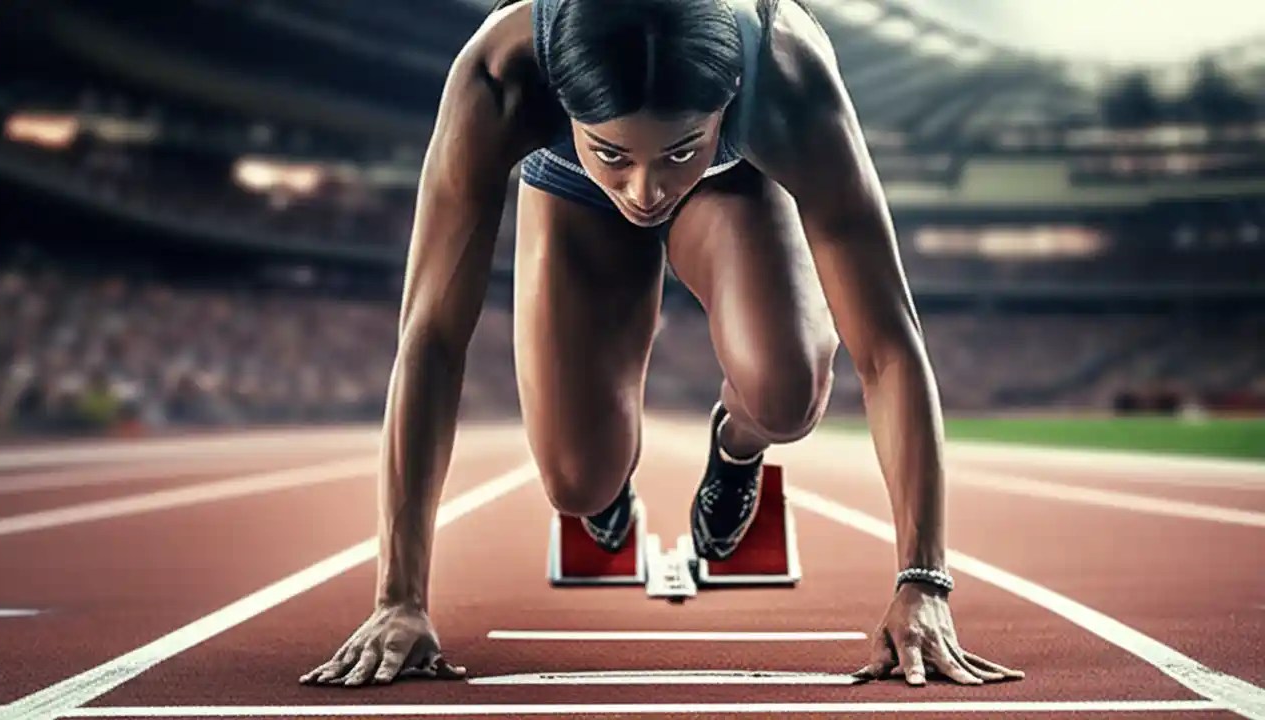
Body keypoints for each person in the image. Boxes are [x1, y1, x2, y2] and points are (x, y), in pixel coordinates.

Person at [300, 0, 1024, 688]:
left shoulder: (786, 75)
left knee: (789, 391)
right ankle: (608, 477)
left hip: (735, 181)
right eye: (615, 153)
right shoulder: (499, 76)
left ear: (729, 95)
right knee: (579, 483)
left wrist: (923, 581)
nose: (646, 192)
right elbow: (429, 337)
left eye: (678, 149)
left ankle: (737, 446)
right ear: (561, 94)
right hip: (568, 189)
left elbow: (890, 344)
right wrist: (398, 596)